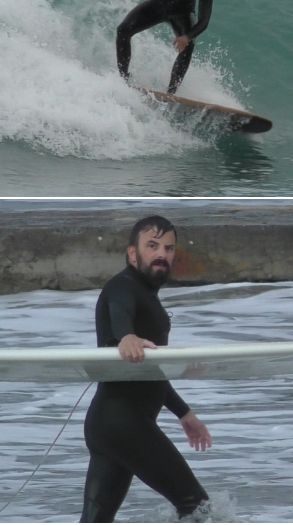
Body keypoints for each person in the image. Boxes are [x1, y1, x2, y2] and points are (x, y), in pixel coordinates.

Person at [81, 216, 211, 522]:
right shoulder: (123, 286)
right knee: (197, 506)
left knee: (96, 520)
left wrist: (184, 413)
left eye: (168, 248)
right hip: (124, 423)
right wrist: (126, 336)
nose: (162, 254)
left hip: (109, 426)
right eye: (152, 246)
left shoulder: (148, 296)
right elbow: (119, 310)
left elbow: (148, 372)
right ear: (132, 253)